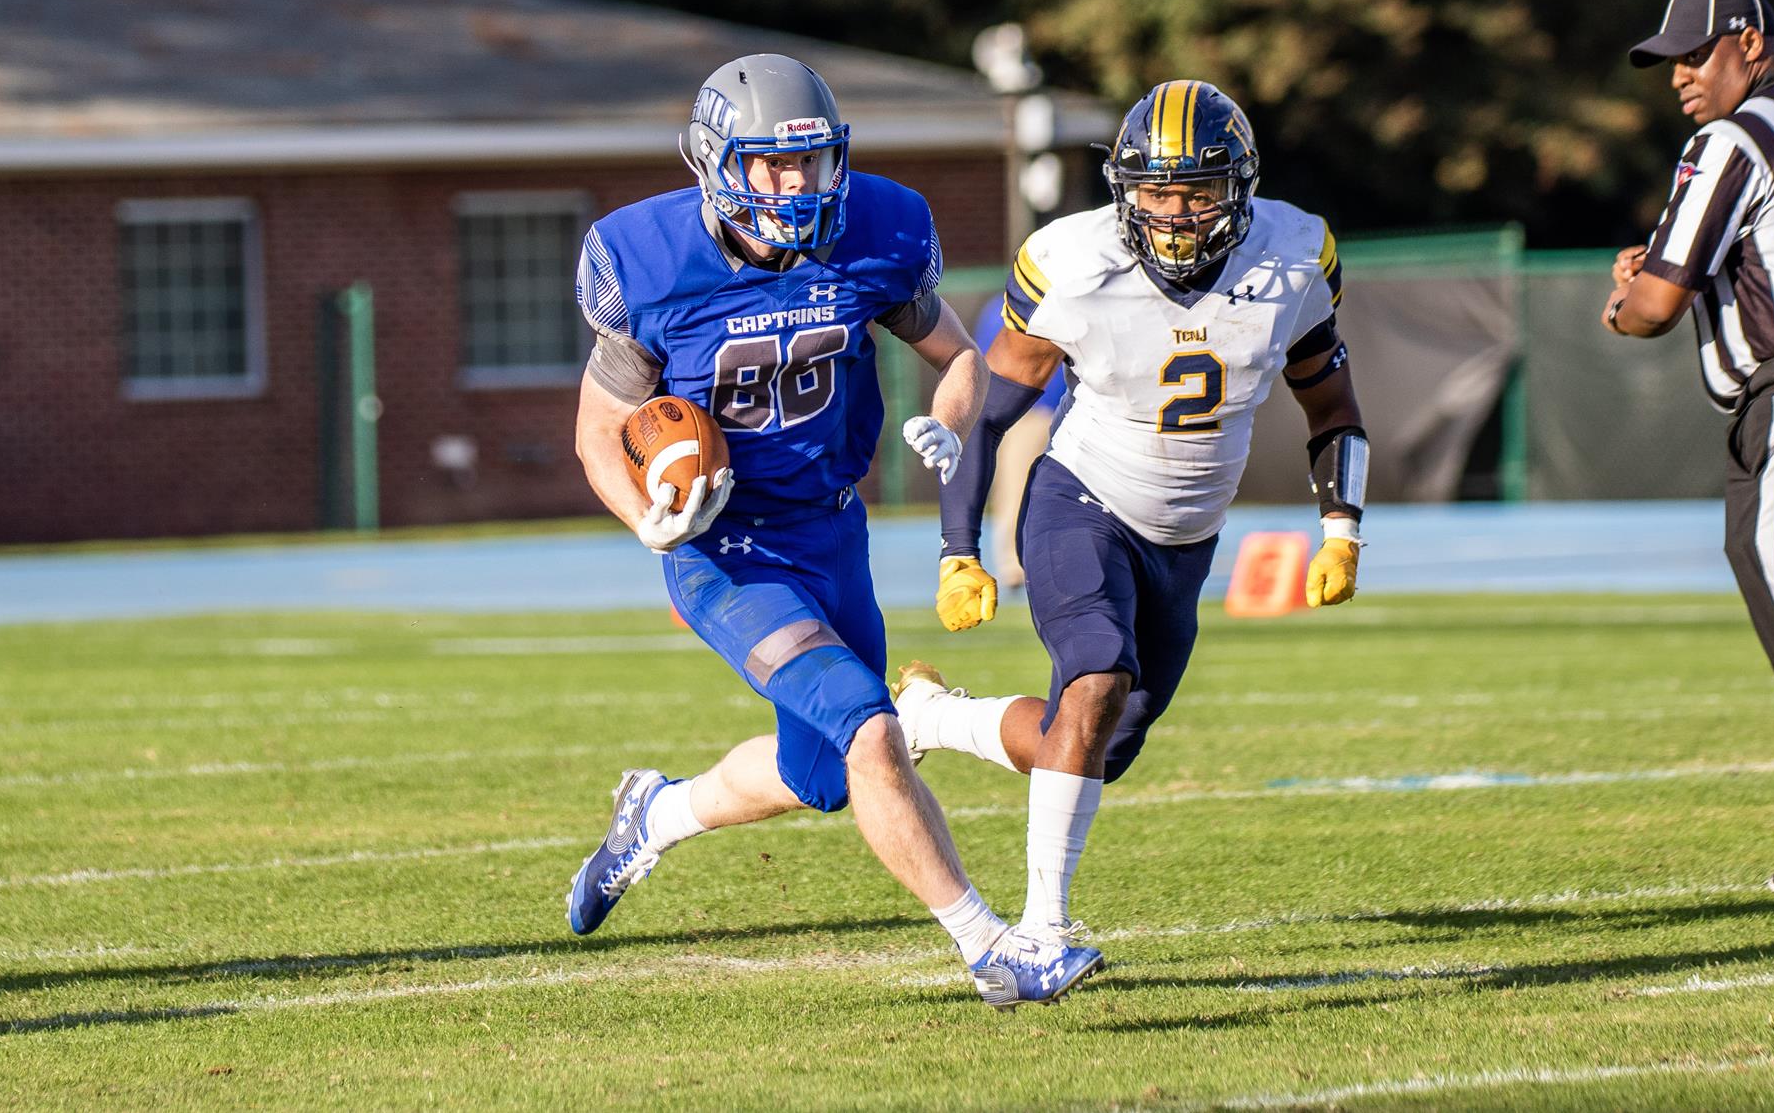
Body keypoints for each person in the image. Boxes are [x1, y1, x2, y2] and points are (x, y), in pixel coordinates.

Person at [564, 53, 1105, 1006]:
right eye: (770, 164)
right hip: (727, 546)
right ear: (716, 161)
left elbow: (959, 354)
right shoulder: (651, 261)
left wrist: (952, 415)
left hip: (832, 529)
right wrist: (648, 519)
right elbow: (595, 431)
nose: (793, 185)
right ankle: (994, 951)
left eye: (808, 162)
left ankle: (656, 813)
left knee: (815, 774)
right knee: (866, 727)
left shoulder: (872, 235)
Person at [894, 80, 1367, 937]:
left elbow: (1332, 409)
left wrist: (1342, 530)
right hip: (1082, 502)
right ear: (1123, 189)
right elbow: (992, 415)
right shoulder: (1074, 264)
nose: (1176, 214)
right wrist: (957, 546)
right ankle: (1042, 931)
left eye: (1196, 192)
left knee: (1099, 743)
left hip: (1186, 541)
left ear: (1241, 188)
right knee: (1097, 676)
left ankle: (933, 716)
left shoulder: (1296, 256)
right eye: (1154, 192)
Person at [1602, 0, 1774, 894]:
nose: (1680, 76)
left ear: (1751, 43)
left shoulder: (1735, 137)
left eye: (1695, 54)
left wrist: (1625, 295)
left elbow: (1652, 306)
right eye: (1670, 62)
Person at [971, 294, 1069, 591]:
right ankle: (1015, 564)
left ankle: (1018, 562)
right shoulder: (1009, 309)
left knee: (1012, 486)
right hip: (1034, 413)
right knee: (1017, 485)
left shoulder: (995, 308)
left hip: (1012, 410)